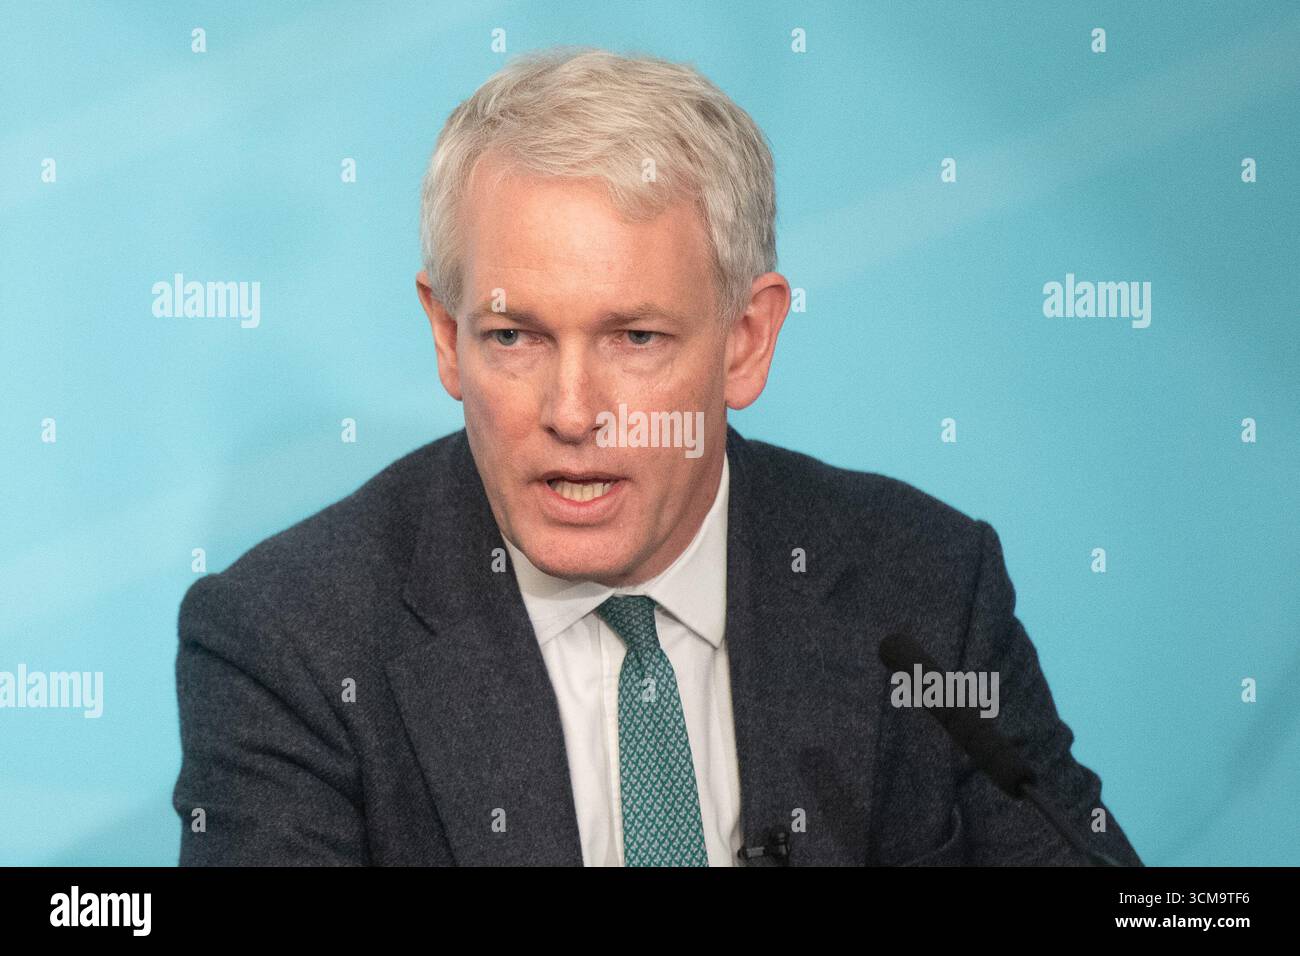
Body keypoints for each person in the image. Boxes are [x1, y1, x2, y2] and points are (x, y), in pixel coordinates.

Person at [172, 46, 1141, 866]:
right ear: (446, 336)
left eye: (635, 337)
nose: (573, 412)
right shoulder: (291, 642)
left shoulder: (922, 586)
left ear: (746, 340)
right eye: (514, 337)